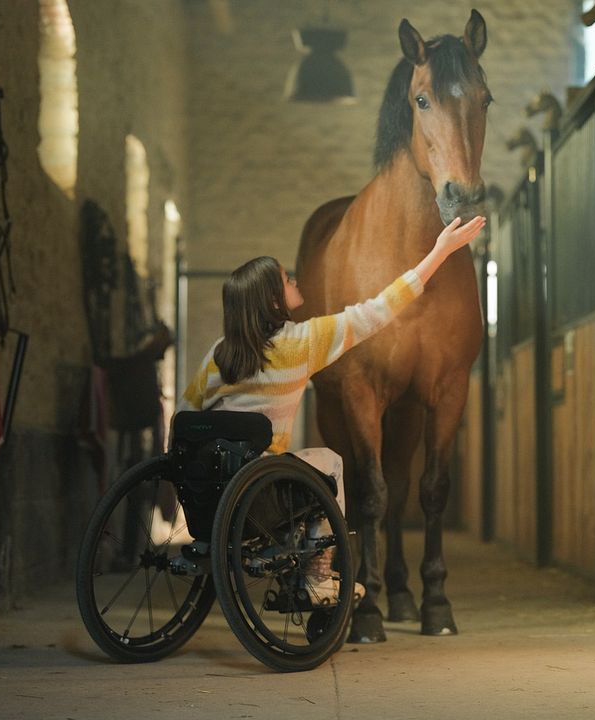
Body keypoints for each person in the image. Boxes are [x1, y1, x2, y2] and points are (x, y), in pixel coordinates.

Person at [175, 214, 486, 604]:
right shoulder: (302, 343)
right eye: (288, 280)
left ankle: (218, 543)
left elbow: (185, 417)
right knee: (328, 462)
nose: (296, 282)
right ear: (274, 301)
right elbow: (378, 310)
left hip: (215, 496)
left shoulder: (219, 355)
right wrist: (440, 251)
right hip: (265, 492)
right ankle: (318, 574)